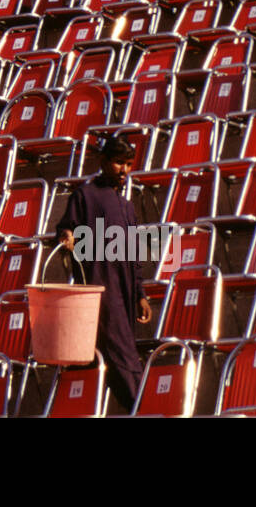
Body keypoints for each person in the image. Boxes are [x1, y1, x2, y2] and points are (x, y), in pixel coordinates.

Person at [53, 136, 153, 413]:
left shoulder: (127, 206)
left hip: (125, 291)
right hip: (98, 286)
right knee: (122, 356)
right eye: (119, 162)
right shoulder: (84, 195)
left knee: (112, 357)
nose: (124, 170)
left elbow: (134, 255)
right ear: (104, 162)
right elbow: (65, 229)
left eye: (129, 164)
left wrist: (140, 294)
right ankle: (144, 409)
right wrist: (68, 236)